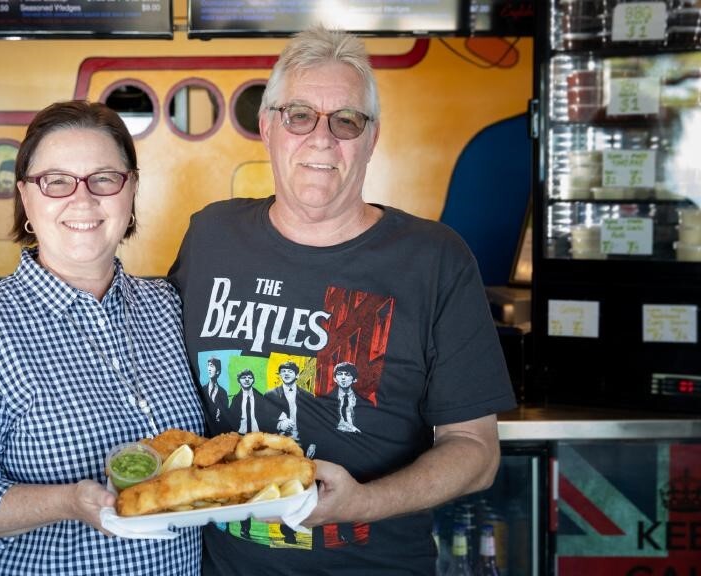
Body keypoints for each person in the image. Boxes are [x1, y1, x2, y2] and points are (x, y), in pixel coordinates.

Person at [168, 26, 516, 573]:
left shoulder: (434, 260)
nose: (322, 139)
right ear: (267, 127)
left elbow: (475, 451)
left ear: (372, 137)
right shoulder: (211, 236)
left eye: (347, 120)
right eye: (299, 114)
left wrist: (363, 503)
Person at [0, 100, 205, 575]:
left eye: (104, 179)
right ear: (26, 199)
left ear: (131, 188)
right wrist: (70, 501)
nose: (83, 199)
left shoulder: (167, 307)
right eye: (56, 182)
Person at [265, 360, 314, 445]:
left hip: (302, 443)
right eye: (283, 371)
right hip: (278, 442)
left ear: (297, 375)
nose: (286, 374)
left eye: (290, 371)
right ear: (280, 375)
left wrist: (313, 443)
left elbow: (313, 422)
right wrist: (279, 425)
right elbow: (263, 418)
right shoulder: (270, 395)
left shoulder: (308, 396)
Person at [332, 361, 361, 433]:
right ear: (335, 379)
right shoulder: (327, 399)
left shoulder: (363, 400)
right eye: (339, 374)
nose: (343, 377)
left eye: (347, 374)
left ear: (354, 379)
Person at [202, 356, 229, 424]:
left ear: (218, 371)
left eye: (212, 366)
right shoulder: (202, 389)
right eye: (208, 366)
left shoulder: (223, 392)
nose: (209, 369)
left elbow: (226, 413)